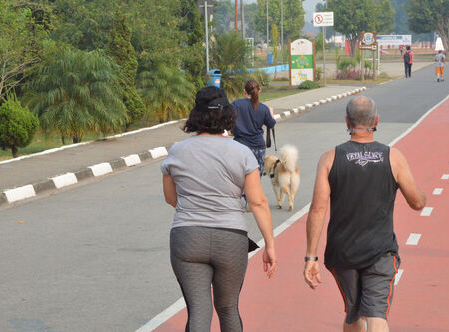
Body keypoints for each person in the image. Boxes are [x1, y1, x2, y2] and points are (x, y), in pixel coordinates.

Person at [302, 96, 426, 332]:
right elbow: (417, 202)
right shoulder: (393, 157)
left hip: (342, 253)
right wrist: (422, 196)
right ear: (376, 120)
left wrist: (311, 257)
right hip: (380, 252)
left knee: (354, 311)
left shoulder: (329, 159)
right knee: (377, 312)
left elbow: (318, 209)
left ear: (347, 121)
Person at [161, 86, 278, 332]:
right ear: (228, 116)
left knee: (198, 311)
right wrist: (270, 245)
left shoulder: (177, 152)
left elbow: (171, 198)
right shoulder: (242, 153)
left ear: (195, 116)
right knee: (227, 308)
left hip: (187, 237)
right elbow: (257, 202)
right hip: (230, 238)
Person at [231, 80, 276, 174]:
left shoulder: (236, 104)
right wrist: (271, 114)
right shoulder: (264, 108)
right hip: (258, 147)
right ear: (258, 91)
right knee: (256, 177)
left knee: (240, 175)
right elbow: (271, 124)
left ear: (244, 91)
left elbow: (227, 117)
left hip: (240, 145)